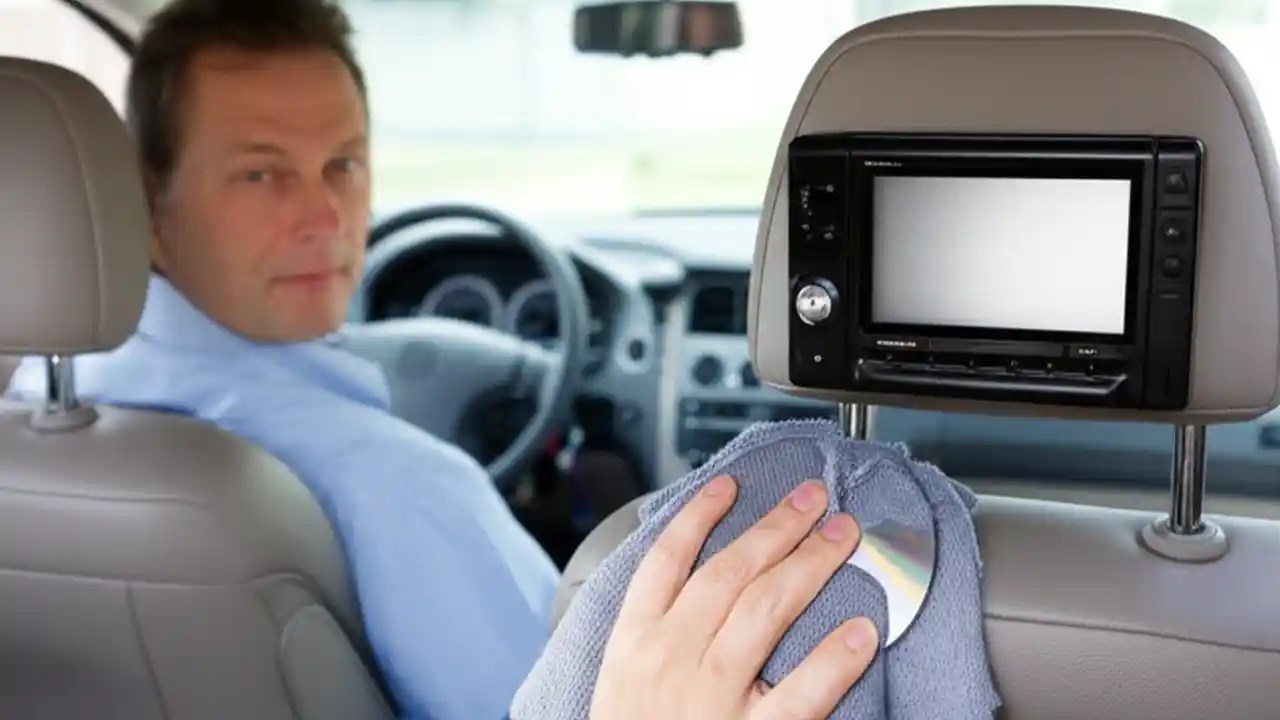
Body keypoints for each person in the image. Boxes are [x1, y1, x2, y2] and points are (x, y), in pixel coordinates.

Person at [5, 1, 877, 717]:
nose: (326, 217)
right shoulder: (394, 486)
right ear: (148, 205)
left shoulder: (32, 425)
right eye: (262, 175)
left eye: (343, 163)